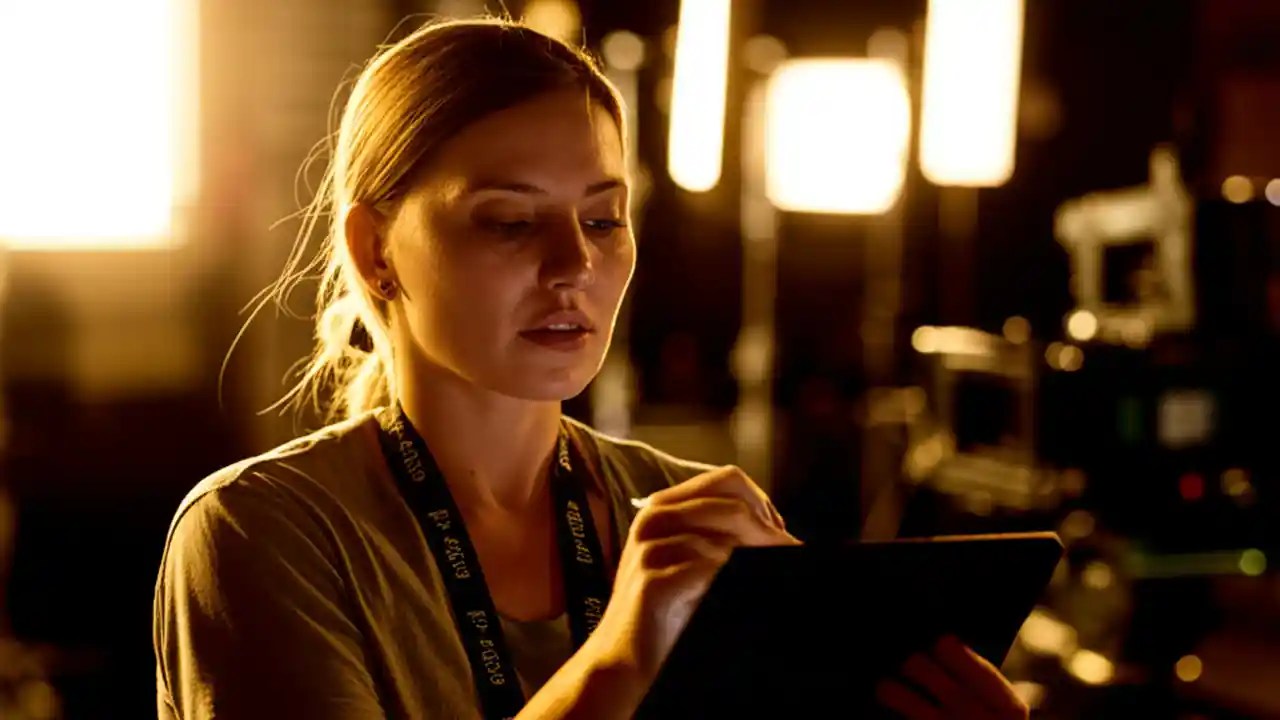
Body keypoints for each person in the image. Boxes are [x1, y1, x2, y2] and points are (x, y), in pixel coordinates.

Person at [152, 17, 1030, 720]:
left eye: (604, 221)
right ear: (375, 249)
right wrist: (618, 658)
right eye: (509, 221)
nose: (573, 265)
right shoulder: (262, 534)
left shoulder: (688, 516)